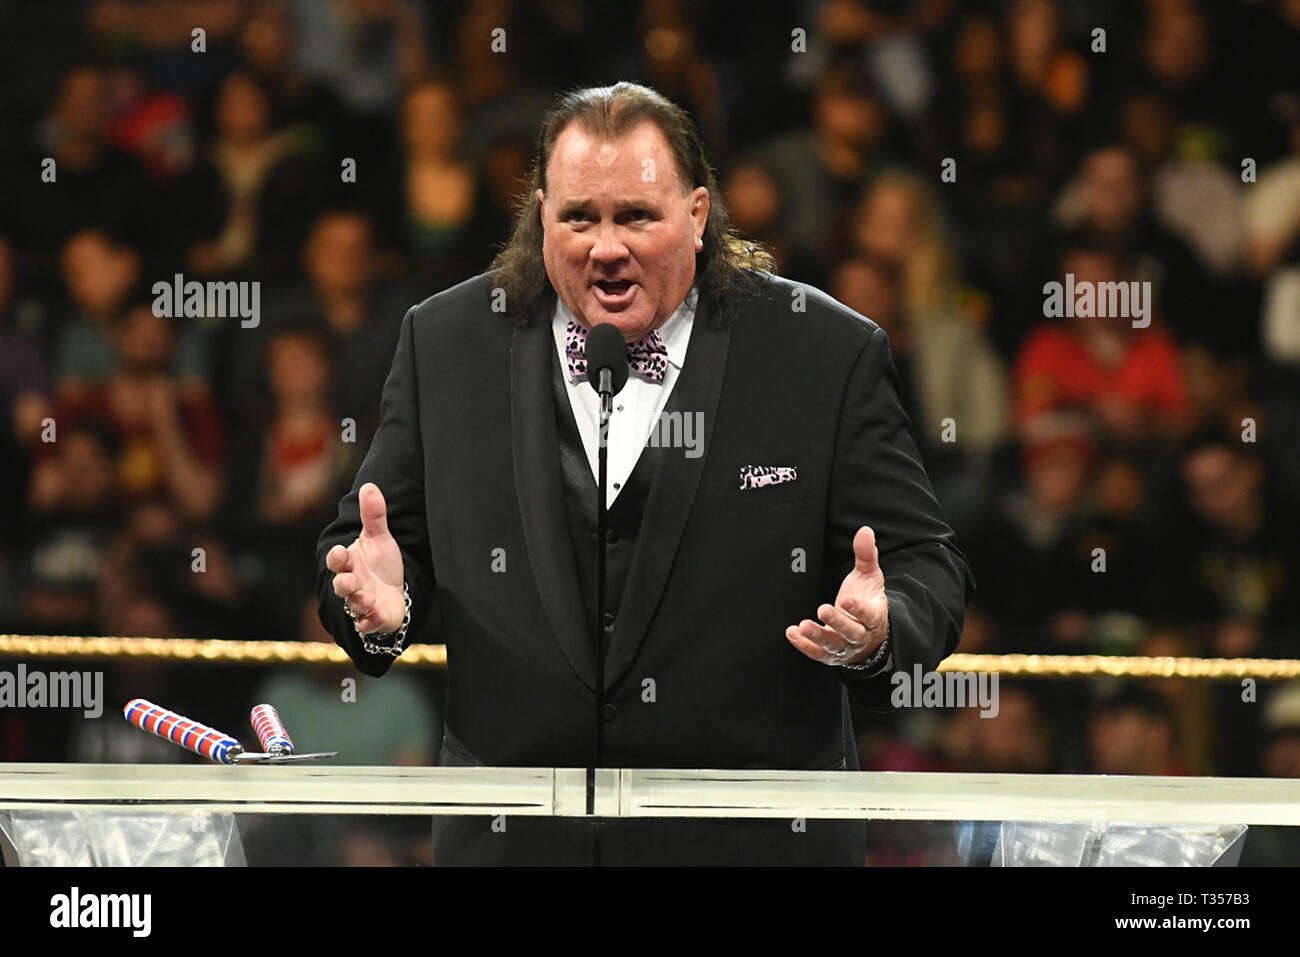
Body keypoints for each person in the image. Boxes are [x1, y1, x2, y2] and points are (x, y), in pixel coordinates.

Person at [316, 82, 973, 865]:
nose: (605, 246)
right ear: (539, 214)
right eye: (578, 217)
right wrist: (381, 604)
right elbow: (369, 553)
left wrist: (883, 628)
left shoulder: (822, 353)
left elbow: (926, 562)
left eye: (635, 215)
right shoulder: (447, 343)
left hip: (752, 846)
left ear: (697, 215)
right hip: (518, 845)